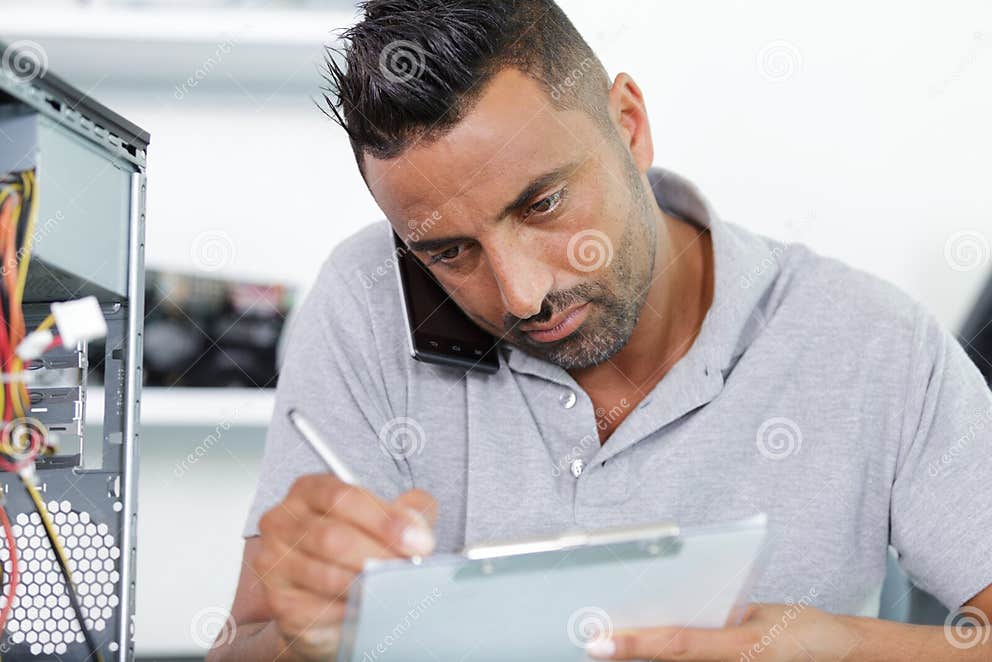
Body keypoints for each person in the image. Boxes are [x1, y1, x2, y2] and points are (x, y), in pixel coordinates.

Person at [207, 1, 992, 660]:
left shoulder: (871, 341)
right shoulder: (367, 298)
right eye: (450, 252)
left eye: (542, 204)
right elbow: (237, 646)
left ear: (629, 124)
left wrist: (847, 650)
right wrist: (299, 641)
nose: (522, 294)